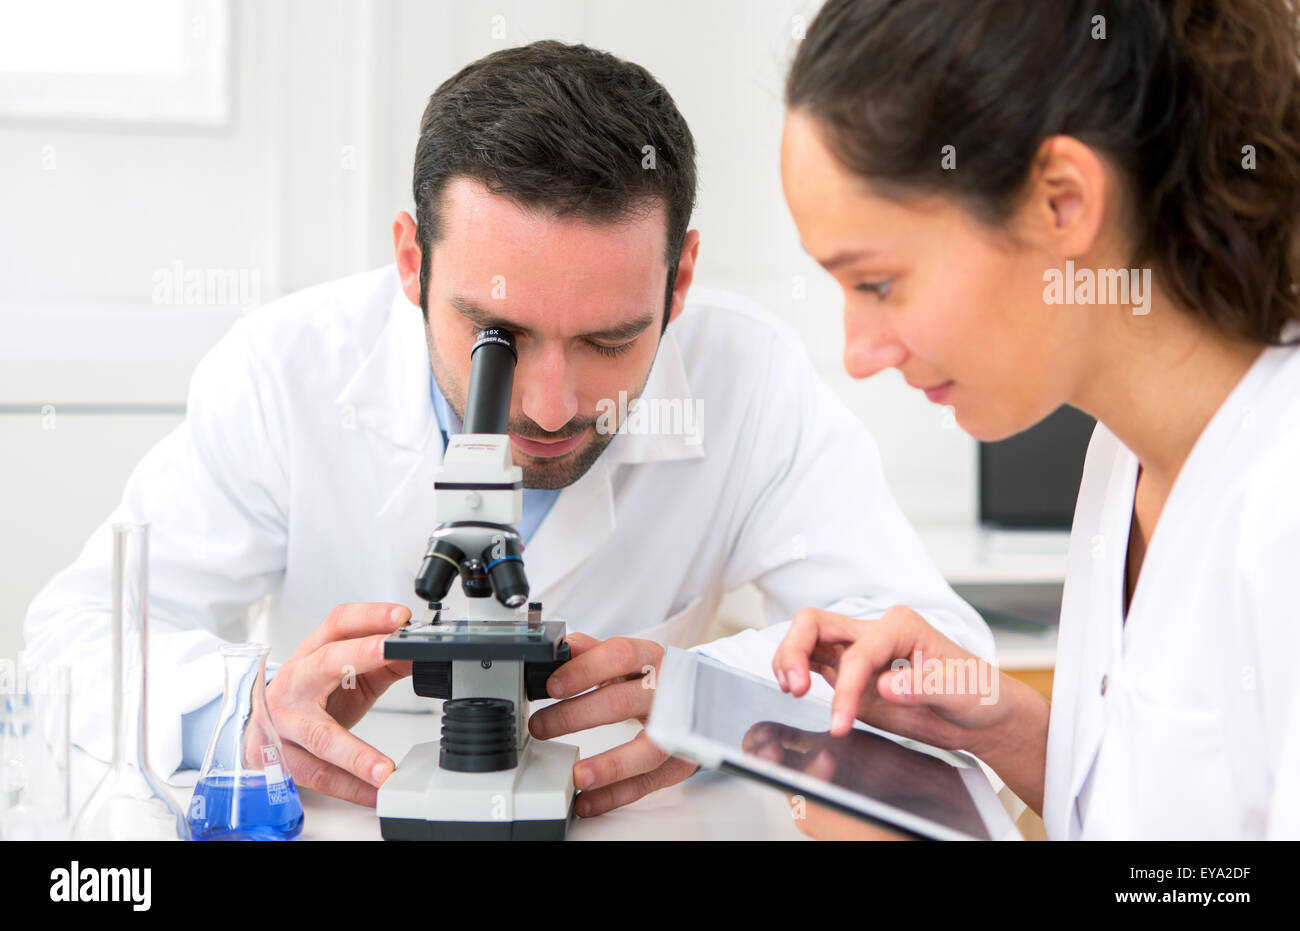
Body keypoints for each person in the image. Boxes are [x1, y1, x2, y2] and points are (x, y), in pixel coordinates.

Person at [23, 40, 991, 818]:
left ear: (679, 279)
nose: (551, 404)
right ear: (411, 260)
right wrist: (250, 709)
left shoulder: (751, 380)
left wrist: (714, 695)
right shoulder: (285, 371)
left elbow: (939, 652)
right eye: (500, 337)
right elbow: (73, 636)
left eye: (611, 338)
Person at [772, 0, 1300, 839]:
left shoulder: (1282, 498)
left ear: (1060, 202)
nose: (858, 352)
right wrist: (1002, 723)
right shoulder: (1121, 453)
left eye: (875, 282)